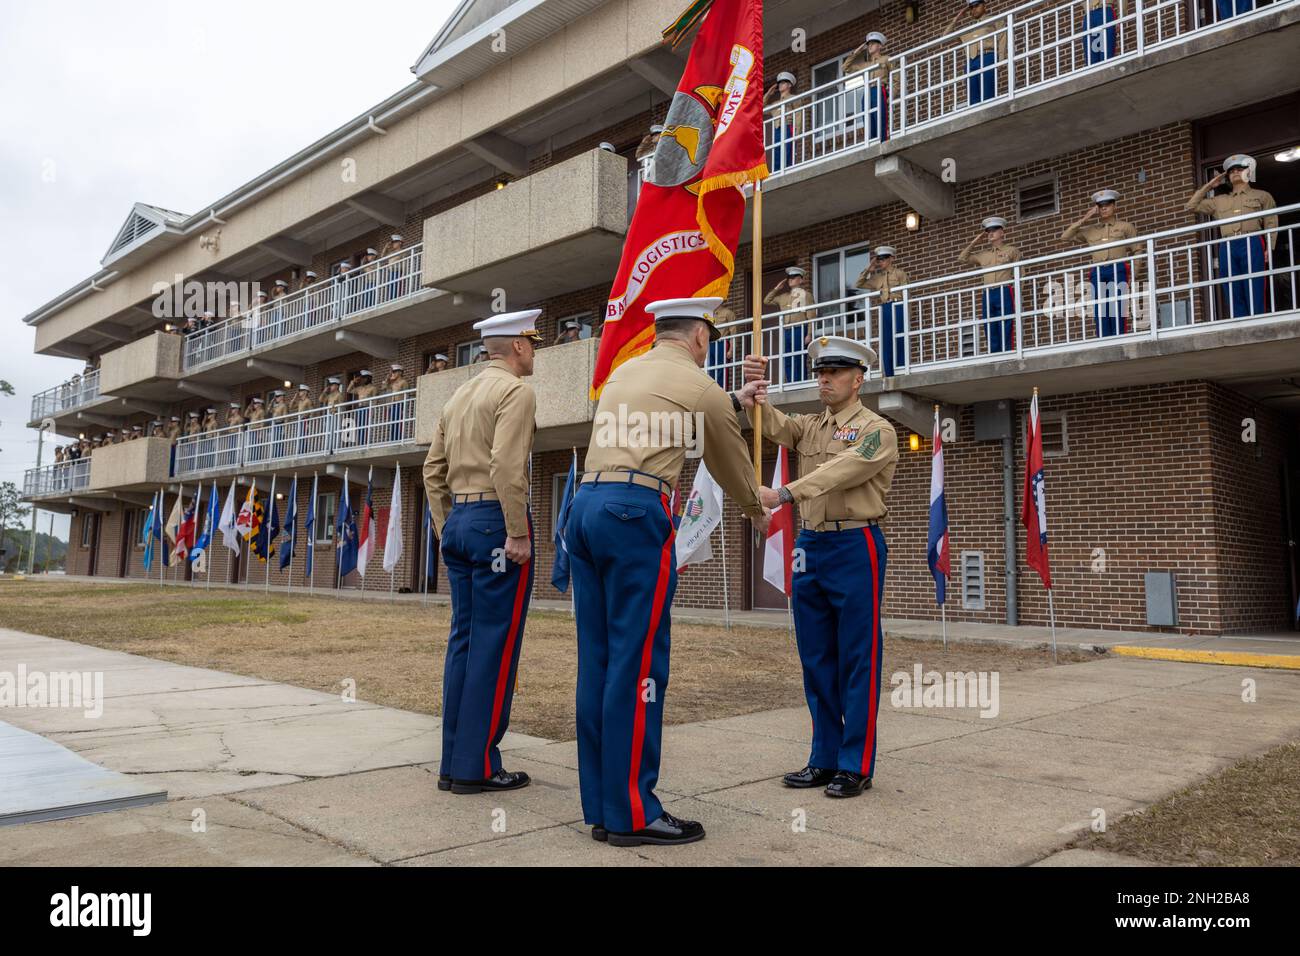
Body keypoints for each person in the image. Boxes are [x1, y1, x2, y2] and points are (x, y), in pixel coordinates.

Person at [566, 296, 770, 847]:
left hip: (586, 508)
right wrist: (759, 510)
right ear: (701, 336)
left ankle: (605, 807)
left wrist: (729, 399)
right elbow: (731, 465)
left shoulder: (625, 371)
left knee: (601, 659)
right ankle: (634, 812)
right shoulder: (700, 387)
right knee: (639, 665)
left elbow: (670, 415)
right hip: (634, 516)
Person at [739, 336, 898, 798]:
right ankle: (823, 759)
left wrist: (786, 492)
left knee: (857, 658)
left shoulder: (877, 430)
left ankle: (855, 764)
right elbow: (772, 426)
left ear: (857, 378)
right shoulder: (811, 425)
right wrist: (755, 391)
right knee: (816, 659)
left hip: (854, 545)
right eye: (820, 372)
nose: (824, 379)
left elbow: (843, 470)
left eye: (835, 372)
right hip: (810, 544)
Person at [422, 310, 542, 795]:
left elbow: (433, 469)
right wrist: (516, 531)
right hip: (496, 522)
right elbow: (507, 467)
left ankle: (454, 763)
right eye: (532, 342)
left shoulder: (458, 395)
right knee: (495, 644)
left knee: (464, 643)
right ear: (516, 346)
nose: (534, 350)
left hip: (461, 523)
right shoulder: (515, 392)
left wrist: (446, 526)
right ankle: (479, 766)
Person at [1184, 154, 1278, 319]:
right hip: (1227, 244)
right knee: (1231, 284)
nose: (1235, 172)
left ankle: (1258, 320)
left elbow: (1271, 223)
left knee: (1255, 283)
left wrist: (1269, 247)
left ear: (1248, 173)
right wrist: (1210, 186)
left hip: (1252, 240)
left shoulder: (1262, 195)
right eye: (1232, 170)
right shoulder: (1219, 200)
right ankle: (1240, 321)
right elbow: (1191, 206)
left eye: (1240, 169)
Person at [1061, 189, 1144, 337]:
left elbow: (1137, 250)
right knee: (1100, 308)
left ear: (1114, 206)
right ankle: (1104, 339)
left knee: (1118, 306)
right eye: (1100, 206)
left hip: (1118, 268)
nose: (1104, 208)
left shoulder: (1125, 226)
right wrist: (1085, 219)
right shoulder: (1090, 230)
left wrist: (1133, 273)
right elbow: (1065, 237)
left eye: (1107, 204)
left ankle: (1119, 338)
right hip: (1098, 271)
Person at [958, 216, 1021, 353]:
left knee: (1006, 322)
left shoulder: (1011, 250)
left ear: (1002, 232)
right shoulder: (983, 255)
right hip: (988, 292)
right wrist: (975, 242)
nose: (990, 234)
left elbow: (1020, 273)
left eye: (994, 230)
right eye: (988, 231)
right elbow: (962, 258)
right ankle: (994, 353)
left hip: (1005, 290)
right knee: (989, 323)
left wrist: (1017, 292)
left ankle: (1007, 352)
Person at [855, 246, 909, 376]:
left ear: (891, 258)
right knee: (886, 340)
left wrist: (907, 313)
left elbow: (907, 293)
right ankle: (889, 372)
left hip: (898, 306)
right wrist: (869, 268)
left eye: (884, 259)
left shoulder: (900, 273)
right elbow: (859, 284)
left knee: (900, 338)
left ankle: (901, 369)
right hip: (885, 307)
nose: (881, 262)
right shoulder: (877, 277)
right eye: (879, 260)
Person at [947, 0, 1005, 107]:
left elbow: (1002, 38)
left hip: (988, 56)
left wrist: (1001, 59)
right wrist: (957, 19)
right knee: (973, 98)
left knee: (988, 94)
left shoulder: (993, 20)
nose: (974, 9)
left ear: (984, 6)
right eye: (971, 7)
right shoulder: (967, 29)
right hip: (971, 61)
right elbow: (946, 36)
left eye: (977, 5)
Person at [764, 266, 815, 384]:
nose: (790, 280)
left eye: (794, 277)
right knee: (787, 358)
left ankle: (800, 382)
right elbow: (767, 301)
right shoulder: (783, 296)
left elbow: (811, 315)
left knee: (798, 357)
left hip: (799, 328)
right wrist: (777, 288)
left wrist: (809, 333)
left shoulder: (806, 295)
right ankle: (791, 381)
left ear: (801, 280)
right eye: (789, 278)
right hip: (786, 330)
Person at [842, 31, 890, 141]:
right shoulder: (865, 65)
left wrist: (891, 95)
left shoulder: (886, 59)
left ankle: (883, 142)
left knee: (880, 119)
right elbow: (845, 68)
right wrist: (857, 52)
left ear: (879, 46)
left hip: (879, 89)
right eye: (868, 44)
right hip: (867, 92)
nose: (870, 46)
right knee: (868, 121)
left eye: (872, 43)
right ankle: (872, 143)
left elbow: (896, 78)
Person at [764, 71, 801, 172]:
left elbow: (798, 115)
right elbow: (760, 108)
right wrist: (768, 94)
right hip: (777, 130)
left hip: (788, 127)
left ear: (789, 85)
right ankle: (777, 172)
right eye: (779, 83)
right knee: (777, 152)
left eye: (783, 82)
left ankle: (787, 170)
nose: (780, 85)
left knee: (787, 151)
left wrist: (797, 133)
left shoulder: (793, 98)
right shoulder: (775, 103)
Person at [1082, 0, 1119, 66]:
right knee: (1091, 55)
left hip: (1105, 8)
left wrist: (1120, 16)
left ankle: (1107, 70)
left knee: (1107, 51)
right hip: (1089, 13)